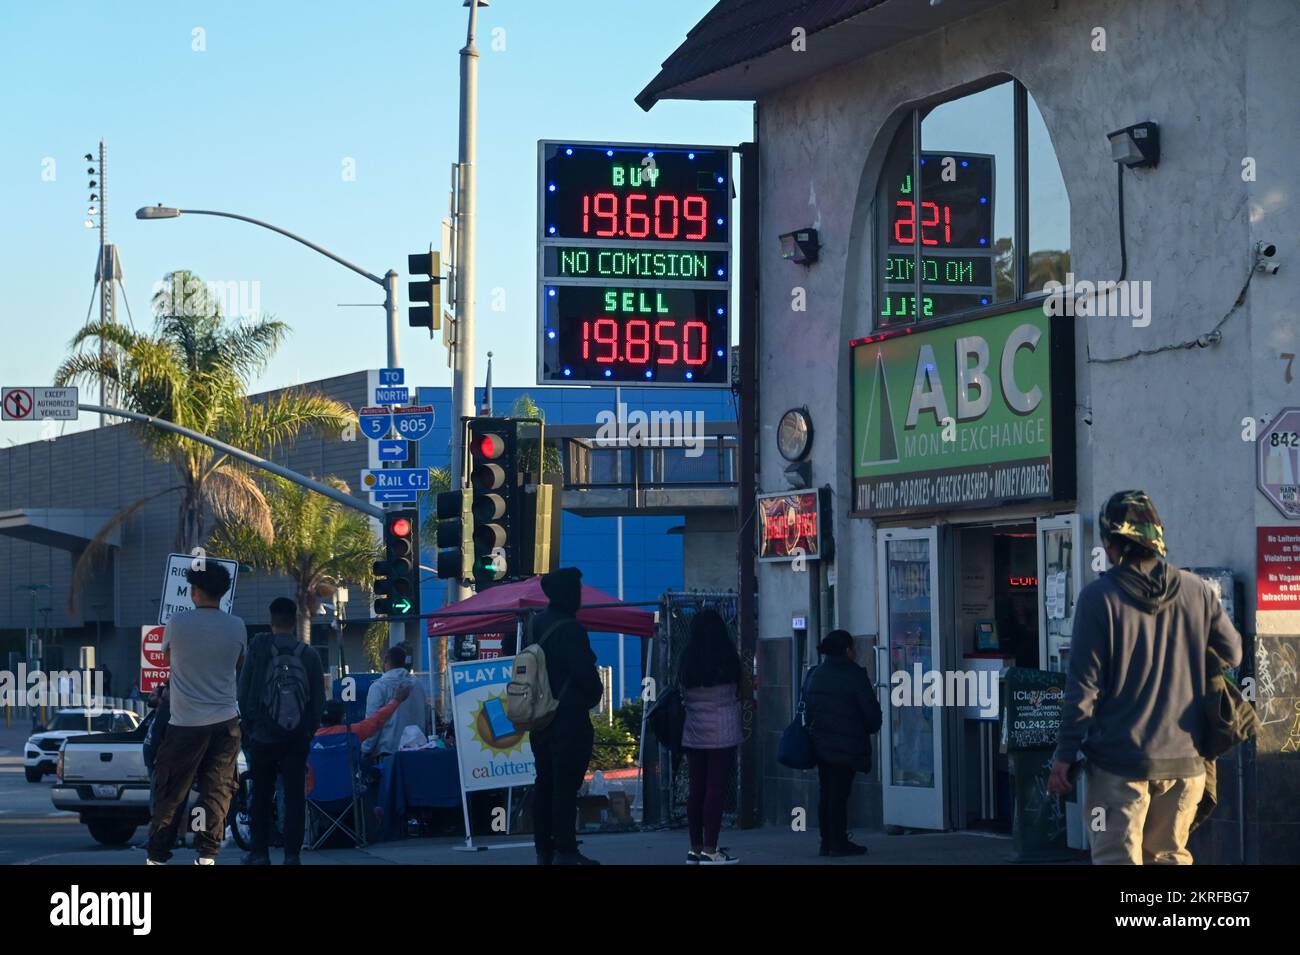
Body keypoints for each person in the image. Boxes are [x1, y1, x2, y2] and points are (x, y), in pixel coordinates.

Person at [1048, 490, 1242, 865]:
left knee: (1114, 858)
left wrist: (1064, 756)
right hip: (1187, 764)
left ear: (1112, 543)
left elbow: (1082, 689)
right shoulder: (1197, 591)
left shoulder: (1097, 598)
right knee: (1170, 857)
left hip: (1118, 765)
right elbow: (1232, 653)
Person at [146, 563, 246, 865]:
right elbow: (239, 663)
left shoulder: (178, 622)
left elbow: (168, 657)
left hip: (185, 722)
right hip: (226, 724)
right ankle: (207, 856)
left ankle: (157, 857)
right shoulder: (237, 625)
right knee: (217, 791)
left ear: (195, 591)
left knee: (171, 791)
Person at [237, 597, 324, 866]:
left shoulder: (260, 649)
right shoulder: (309, 655)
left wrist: (252, 726)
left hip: (263, 736)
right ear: (295, 619)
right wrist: (307, 731)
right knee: (294, 796)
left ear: (271, 618)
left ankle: (260, 853)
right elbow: (318, 700)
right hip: (296, 738)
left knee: (261, 795)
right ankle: (292, 855)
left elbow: (243, 691)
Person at [529, 567, 604, 866]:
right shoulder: (571, 629)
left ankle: (543, 849)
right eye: (577, 590)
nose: (580, 596)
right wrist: (591, 694)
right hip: (568, 717)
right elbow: (586, 675)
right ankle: (566, 849)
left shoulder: (536, 624)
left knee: (544, 783)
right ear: (568, 594)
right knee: (565, 786)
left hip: (540, 717)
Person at [804, 629, 882, 857]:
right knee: (839, 794)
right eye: (853, 648)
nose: (855, 652)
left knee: (826, 792)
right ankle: (838, 842)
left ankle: (826, 841)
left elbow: (808, 710)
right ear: (847, 650)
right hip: (847, 745)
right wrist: (870, 727)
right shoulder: (854, 675)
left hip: (821, 744)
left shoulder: (816, 674)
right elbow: (870, 712)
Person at [678, 608, 743, 865]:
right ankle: (711, 848)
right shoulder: (728, 658)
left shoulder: (687, 660)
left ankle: (694, 848)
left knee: (696, 790)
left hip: (694, 730)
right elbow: (742, 690)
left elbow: (681, 693)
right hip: (723, 731)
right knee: (715, 790)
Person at [307, 685, 410, 795]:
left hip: (316, 798)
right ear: (342, 717)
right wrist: (396, 700)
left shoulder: (308, 739)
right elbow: (378, 718)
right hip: (348, 797)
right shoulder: (353, 732)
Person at [361, 646, 429, 761]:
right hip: (417, 751)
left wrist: (366, 749)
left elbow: (373, 723)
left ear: (386, 659)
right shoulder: (418, 685)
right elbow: (426, 717)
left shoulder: (379, 687)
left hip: (389, 754)